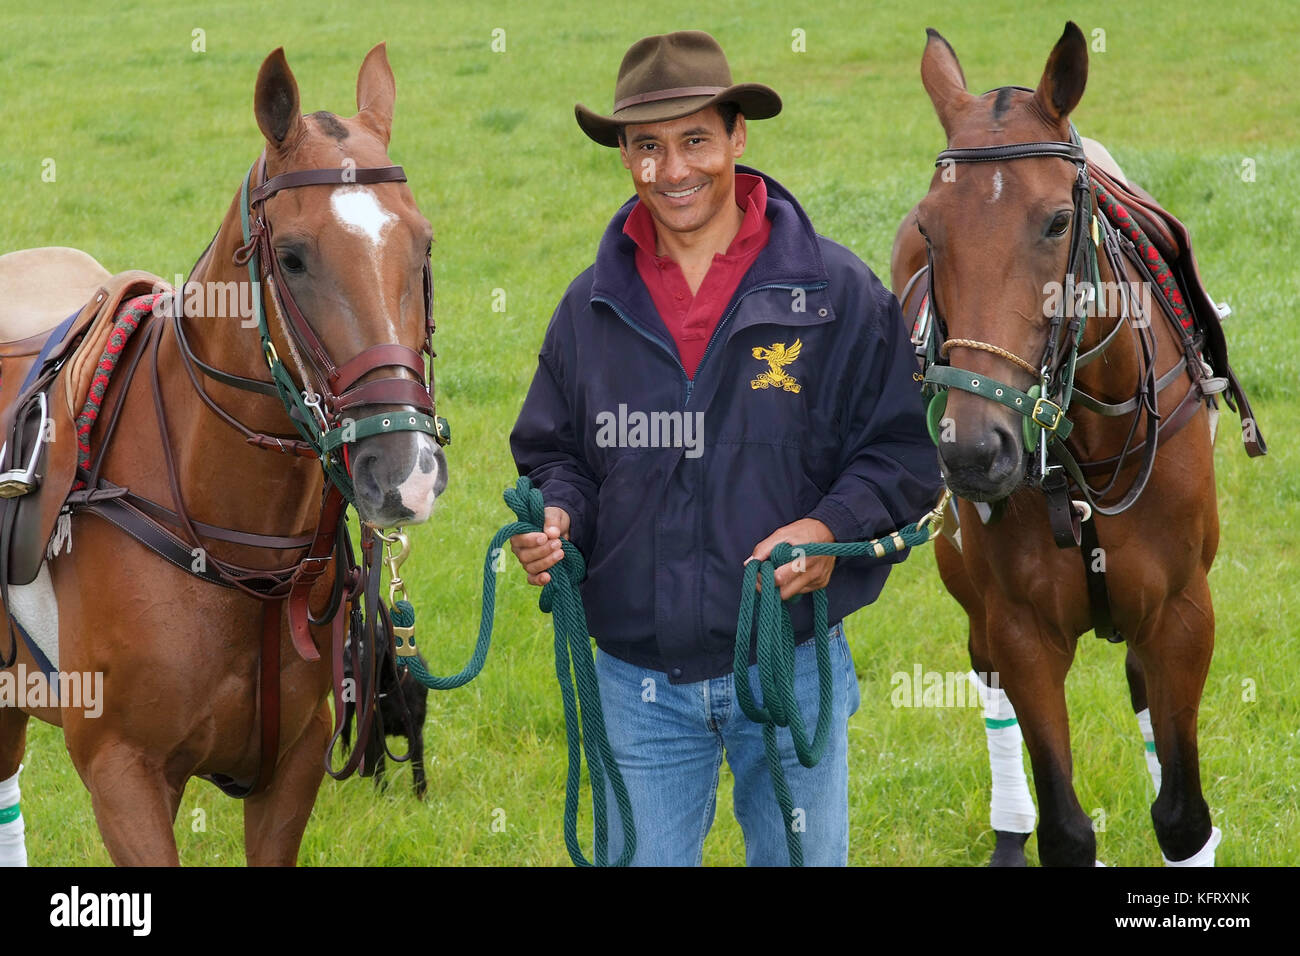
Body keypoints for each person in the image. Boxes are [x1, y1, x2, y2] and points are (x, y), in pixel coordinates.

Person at [509, 30, 941, 866]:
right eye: (648, 147)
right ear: (627, 156)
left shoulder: (837, 295)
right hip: (636, 683)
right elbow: (557, 453)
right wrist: (560, 513)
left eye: (696, 140)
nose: (672, 170)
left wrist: (828, 529)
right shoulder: (589, 307)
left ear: (738, 136)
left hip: (791, 662)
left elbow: (901, 454)